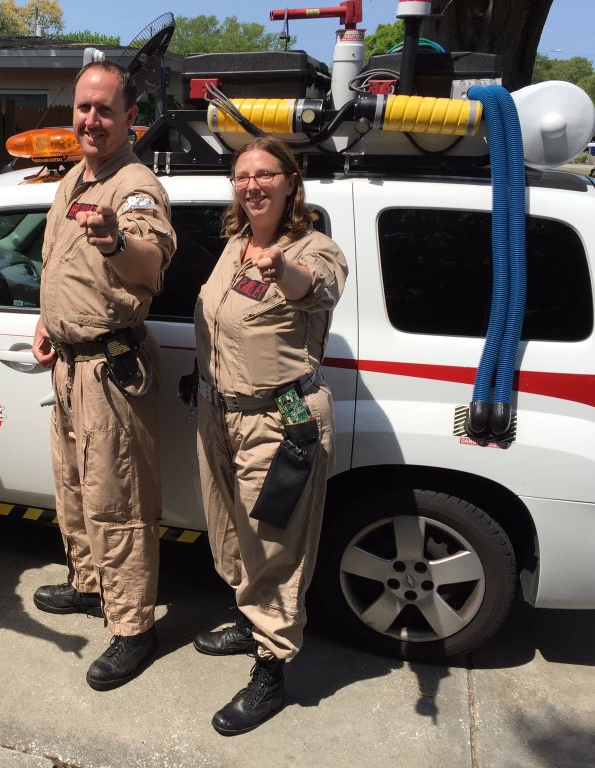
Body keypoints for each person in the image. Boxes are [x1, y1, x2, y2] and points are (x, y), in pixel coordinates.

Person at [192, 136, 348, 735]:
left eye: (264, 174)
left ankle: (271, 669)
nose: (251, 185)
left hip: (280, 423)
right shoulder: (233, 245)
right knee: (232, 533)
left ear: (290, 182)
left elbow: (320, 288)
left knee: (276, 547)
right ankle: (248, 618)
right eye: (241, 176)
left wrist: (282, 267)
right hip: (219, 415)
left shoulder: (315, 248)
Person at [30, 61, 176, 691]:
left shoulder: (134, 185)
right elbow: (56, 261)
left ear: (129, 119)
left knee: (117, 502)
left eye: (105, 110)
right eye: (83, 108)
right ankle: (91, 588)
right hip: (68, 363)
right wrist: (46, 319)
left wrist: (117, 241)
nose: (91, 119)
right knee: (76, 491)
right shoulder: (73, 178)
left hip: (111, 370)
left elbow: (151, 264)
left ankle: (133, 627)